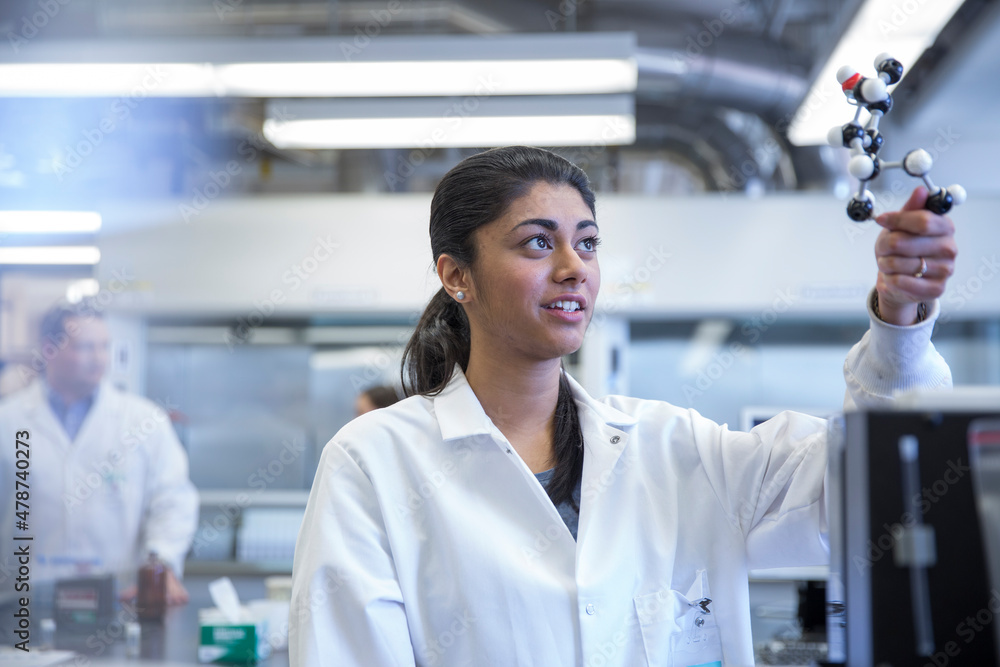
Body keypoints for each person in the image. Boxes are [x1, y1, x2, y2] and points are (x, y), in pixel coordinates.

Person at [290, 146, 955, 666]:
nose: (574, 266)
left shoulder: (673, 449)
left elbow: (865, 483)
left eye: (587, 242)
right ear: (456, 274)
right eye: (536, 242)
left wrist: (900, 320)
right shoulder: (374, 463)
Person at [0, 303, 199, 614]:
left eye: (104, 346)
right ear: (49, 349)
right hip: (25, 603)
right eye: (85, 346)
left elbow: (173, 500)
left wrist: (161, 562)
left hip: (119, 597)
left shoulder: (143, 421)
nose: (99, 358)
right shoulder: (7, 420)